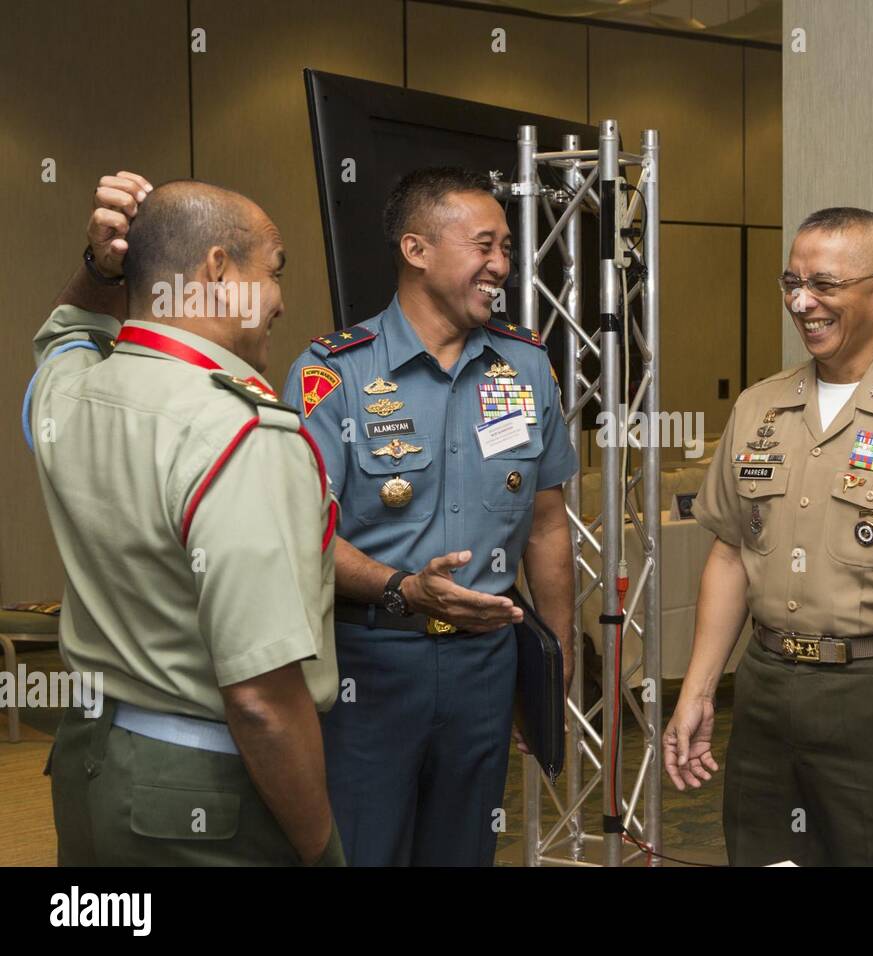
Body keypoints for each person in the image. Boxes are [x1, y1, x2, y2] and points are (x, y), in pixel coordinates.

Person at [665, 207, 873, 866]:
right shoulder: (758, 407)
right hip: (766, 687)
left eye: (824, 285)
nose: (802, 302)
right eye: (790, 282)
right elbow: (732, 553)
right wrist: (699, 691)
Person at [27, 172, 343, 865]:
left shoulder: (70, 396)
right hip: (204, 797)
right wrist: (322, 850)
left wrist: (98, 270)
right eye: (275, 271)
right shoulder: (244, 434)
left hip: (90, 767)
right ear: (218, 269)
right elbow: (261, 699)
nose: (282, 301)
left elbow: (65, 332)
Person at [282, 166, 578, 866]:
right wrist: (402, 586)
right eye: (484, 246)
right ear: (417, 250)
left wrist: (554, 662)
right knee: (363, 848)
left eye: (506, 247)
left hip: (485, 665)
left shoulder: (526, 367)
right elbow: (303, 534)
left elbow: (546, 526)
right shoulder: (335, 374)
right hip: (371, 662)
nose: (501, 266)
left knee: (466, 851)